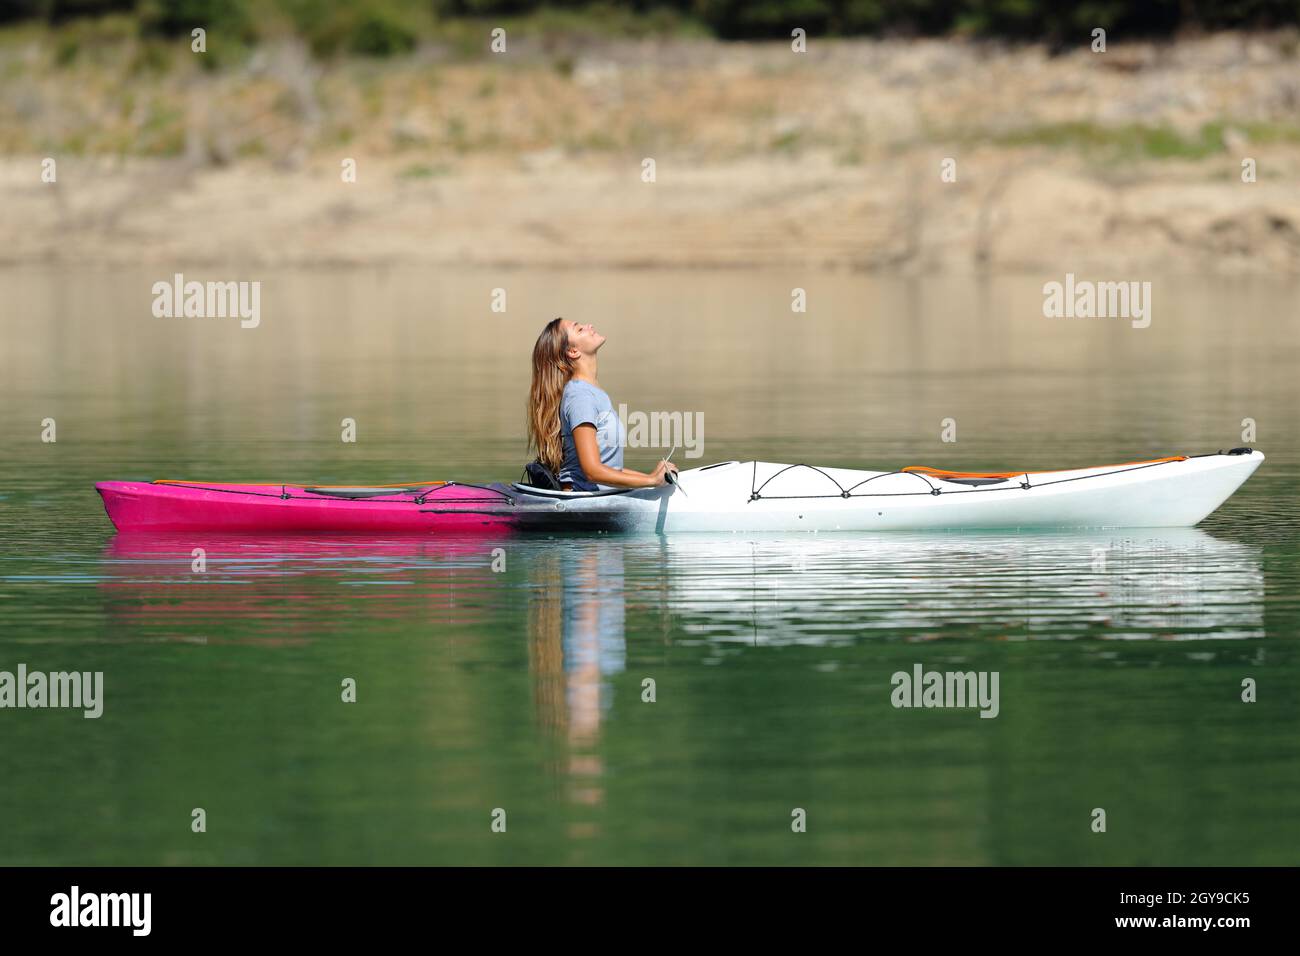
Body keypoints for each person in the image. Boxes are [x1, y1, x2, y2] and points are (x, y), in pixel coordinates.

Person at [527, 317, 677, 491]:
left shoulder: (591, 393)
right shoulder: (580, 397)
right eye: (579, 329)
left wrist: (651, 477)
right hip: (582, 504)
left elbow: (610, 469)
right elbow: (593, 472)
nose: (588, 325)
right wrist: (651, 481)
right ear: (573, 351)